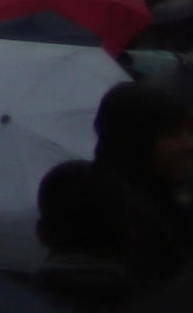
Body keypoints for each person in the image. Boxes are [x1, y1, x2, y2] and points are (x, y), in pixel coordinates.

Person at [38, 82, 193, 288]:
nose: (188, 145)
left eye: (189, 133)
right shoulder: (107, 212)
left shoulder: (162, 202)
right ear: (137, 140)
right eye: (173, 135)